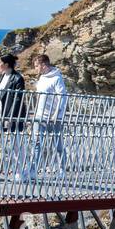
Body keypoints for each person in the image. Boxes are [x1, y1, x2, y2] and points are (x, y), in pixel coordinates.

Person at [25, 53, 67, 181]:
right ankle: (32, 171)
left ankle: (62, 169)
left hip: (54, 118)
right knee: (37, 143)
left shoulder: (57, 78)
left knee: (57, 144)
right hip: (40, 117)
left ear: (43, 65)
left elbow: (62, 96)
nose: (36, 68)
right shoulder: (42, 78)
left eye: (37, 66)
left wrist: (56, 114)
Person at [0, 53, 26, 179]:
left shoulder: (18, 78)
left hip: (10, 115)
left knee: (15, 144)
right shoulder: (1, 76)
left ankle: (20, 172)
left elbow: (18, 99)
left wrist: (11, 117)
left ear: (6, 64)